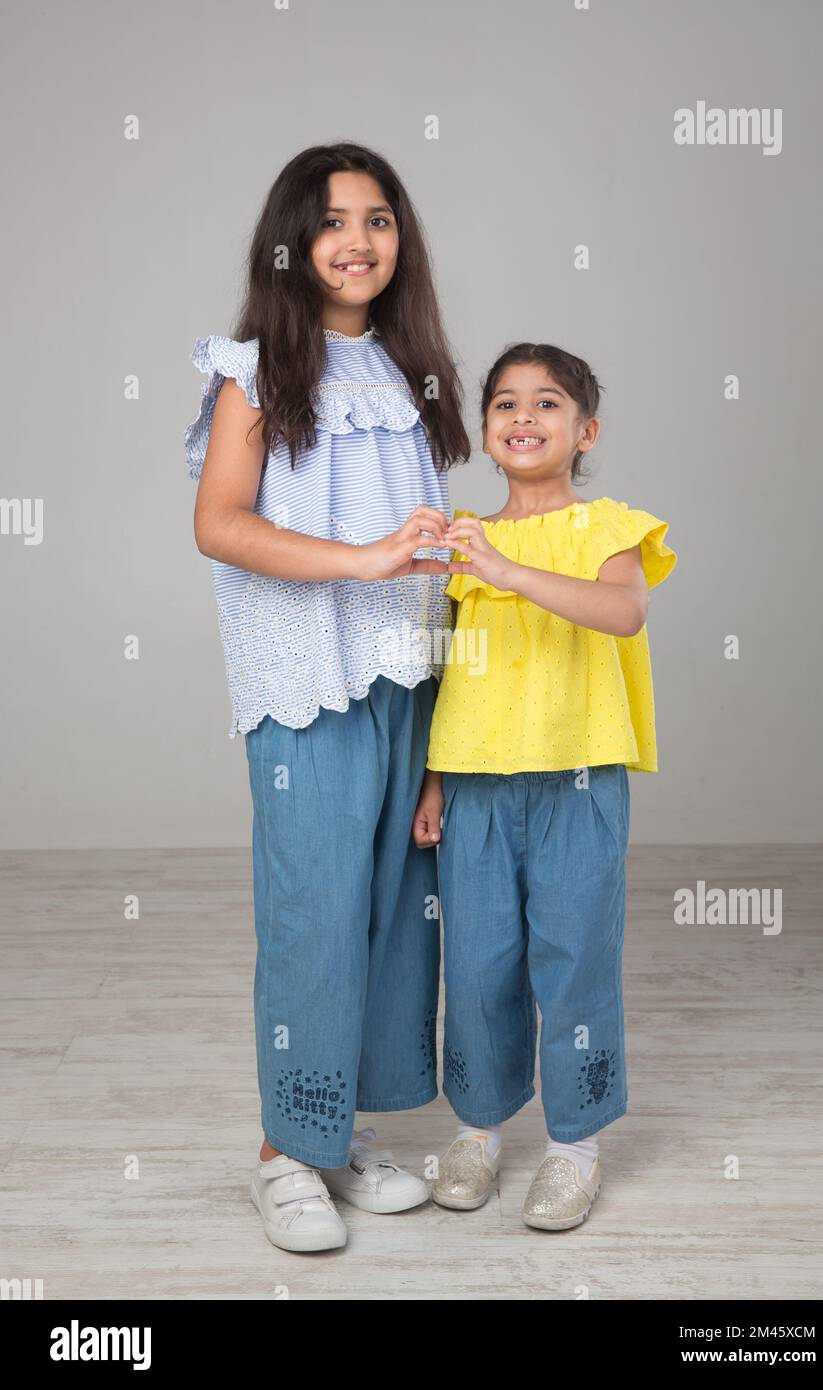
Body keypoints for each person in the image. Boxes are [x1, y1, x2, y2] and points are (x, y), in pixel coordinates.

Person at [184, 142, 469, 1252]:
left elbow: (428, 559)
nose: (359, 240)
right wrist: (358, 562)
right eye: (335, 220)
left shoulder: (409, 373)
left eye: (380, 219)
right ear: (292, 242)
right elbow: (220, 524)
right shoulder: (254, 371)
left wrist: (450, 719)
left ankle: (334, 1131)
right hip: (304, 682)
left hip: (404, 680)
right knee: (312, 909)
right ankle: (281, 1150)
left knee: (395, 907)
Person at [414, 342, 677, 1230]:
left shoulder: (607, 527)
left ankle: (575, 1147)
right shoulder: (461, 540)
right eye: (505, 405)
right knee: (478, 965)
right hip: (480, 790)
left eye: (548, 403)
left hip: (576, 782)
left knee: (573, 961)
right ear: (486, 433)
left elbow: (622, 611)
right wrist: (435, 782)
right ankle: (479, 1131)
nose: (524, 418)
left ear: (584, 430)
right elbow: (451, 671)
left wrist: (508, 573)